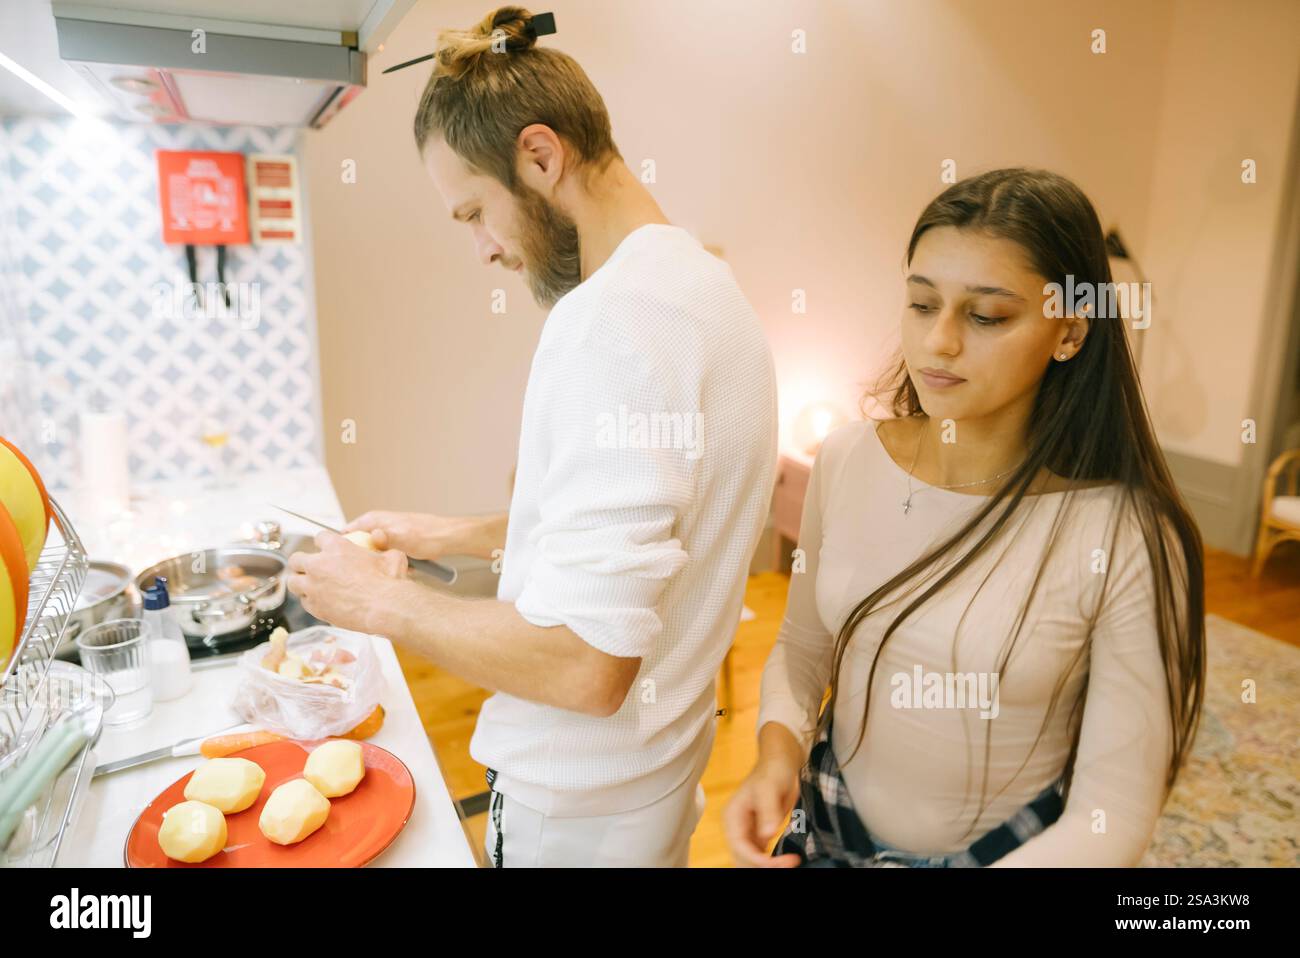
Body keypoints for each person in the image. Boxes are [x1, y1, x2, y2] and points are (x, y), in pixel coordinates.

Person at [287, 6, 777, 868]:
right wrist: (452, 535)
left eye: (473, 211)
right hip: (655, 776)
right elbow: (649, 532)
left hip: (576, 805)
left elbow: (588, 665)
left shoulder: (609, 320)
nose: (482, 248)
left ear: (542, 156)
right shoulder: (704, 286)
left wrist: (378, 601)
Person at [723, 168, 1205, 868]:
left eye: (986, 316)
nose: (940, 342)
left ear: (1069, 331)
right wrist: (776, 756)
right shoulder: (847, 459)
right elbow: (803, 649)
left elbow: (1114, 814)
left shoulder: (1124, 534)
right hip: (829, 831)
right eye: (922, 304)